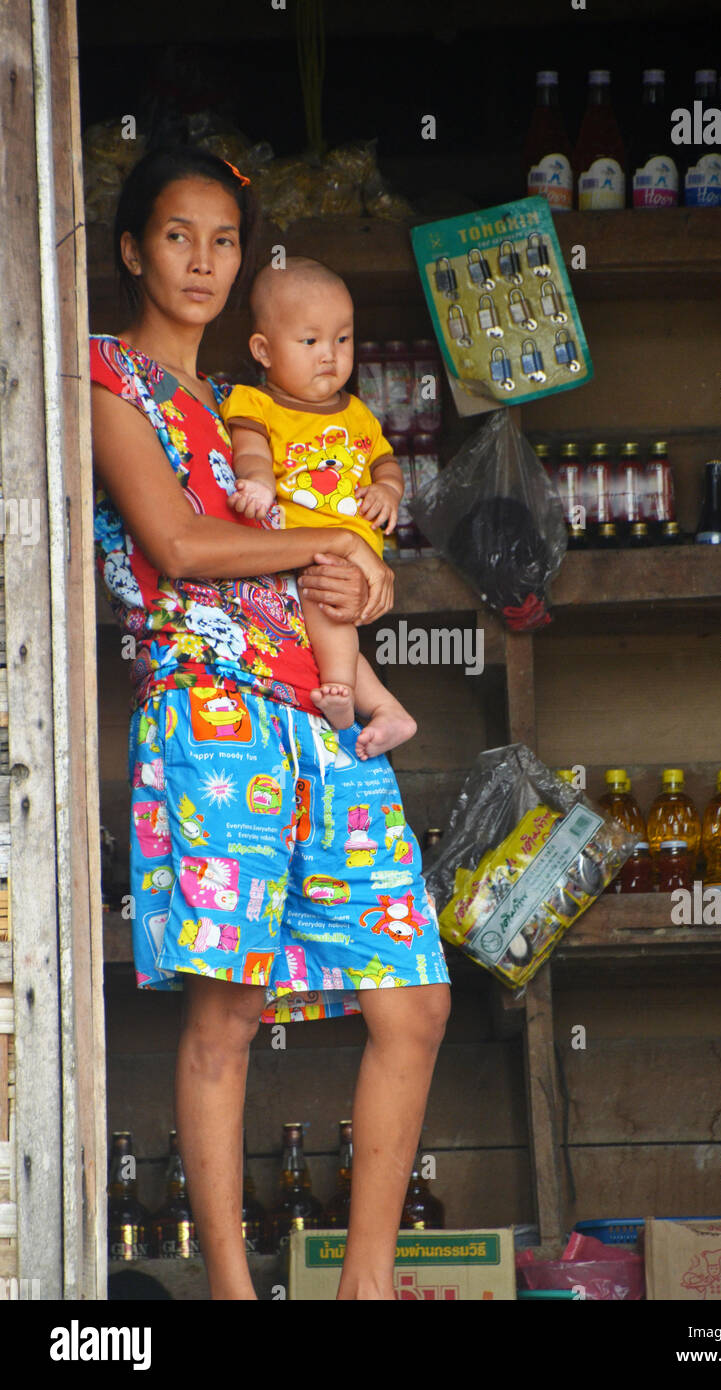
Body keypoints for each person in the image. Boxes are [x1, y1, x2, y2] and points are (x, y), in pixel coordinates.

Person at [90, 145, 451, 1301]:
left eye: (225, 239)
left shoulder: (281, 402)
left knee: (416, 999)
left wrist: (369, 576)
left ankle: (364, 1286)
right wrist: (330, 544)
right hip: (213, 716)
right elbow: (180, 547)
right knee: (231, 1009)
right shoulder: (109, 378)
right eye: (179, 236)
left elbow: (349, 534)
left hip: (322, 713)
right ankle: (237, 1296)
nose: (202, 261)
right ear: (134, 249)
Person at [221, 258, 410, 736]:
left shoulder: (358, 412)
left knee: (328, 620)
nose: (329, 354)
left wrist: (388, 489)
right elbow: (250, 450)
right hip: (299, 541)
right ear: (263, 350)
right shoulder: (254, 402)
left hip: (346, 548)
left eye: (342, 339)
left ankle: (345, 694)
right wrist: (259, 484)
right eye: (310, 342)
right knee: (326, 628)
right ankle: (379, 705)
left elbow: (384, 461)